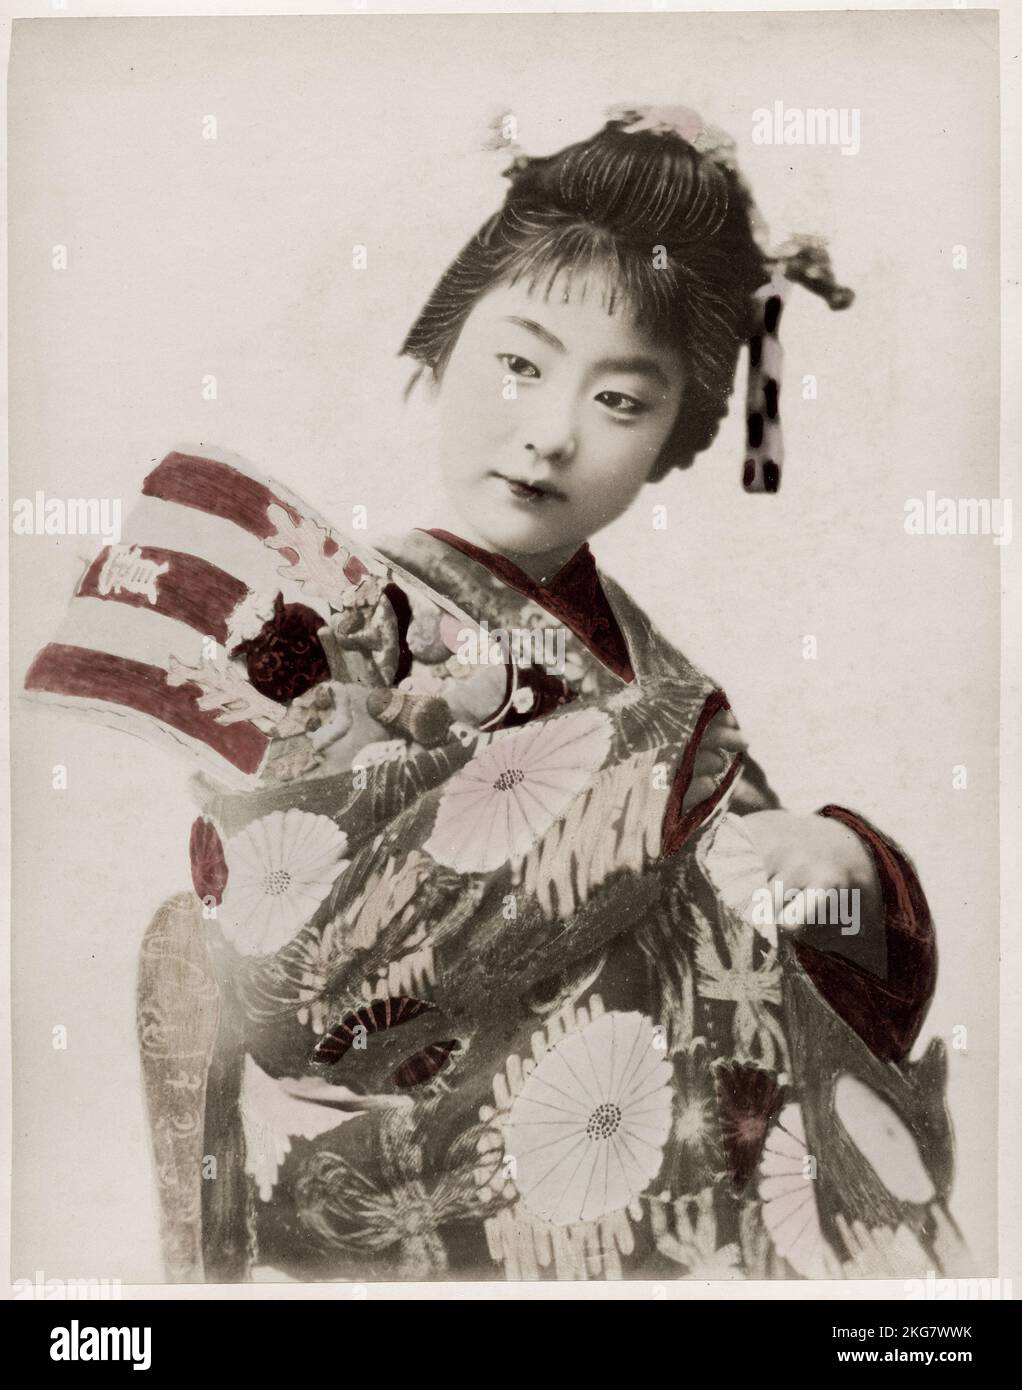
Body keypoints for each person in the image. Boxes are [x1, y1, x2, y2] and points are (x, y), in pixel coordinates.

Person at [130, 107, 964, 1283]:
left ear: (678, 432)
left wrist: (848, 872)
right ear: (442, 340)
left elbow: (781, 964)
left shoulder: (663, 675)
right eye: (519, 362)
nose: (550, 435)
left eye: (621, 401)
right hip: (483, 1219)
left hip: (711, 1211)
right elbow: (291, 977)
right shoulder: (342, 624)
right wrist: (636, 789)